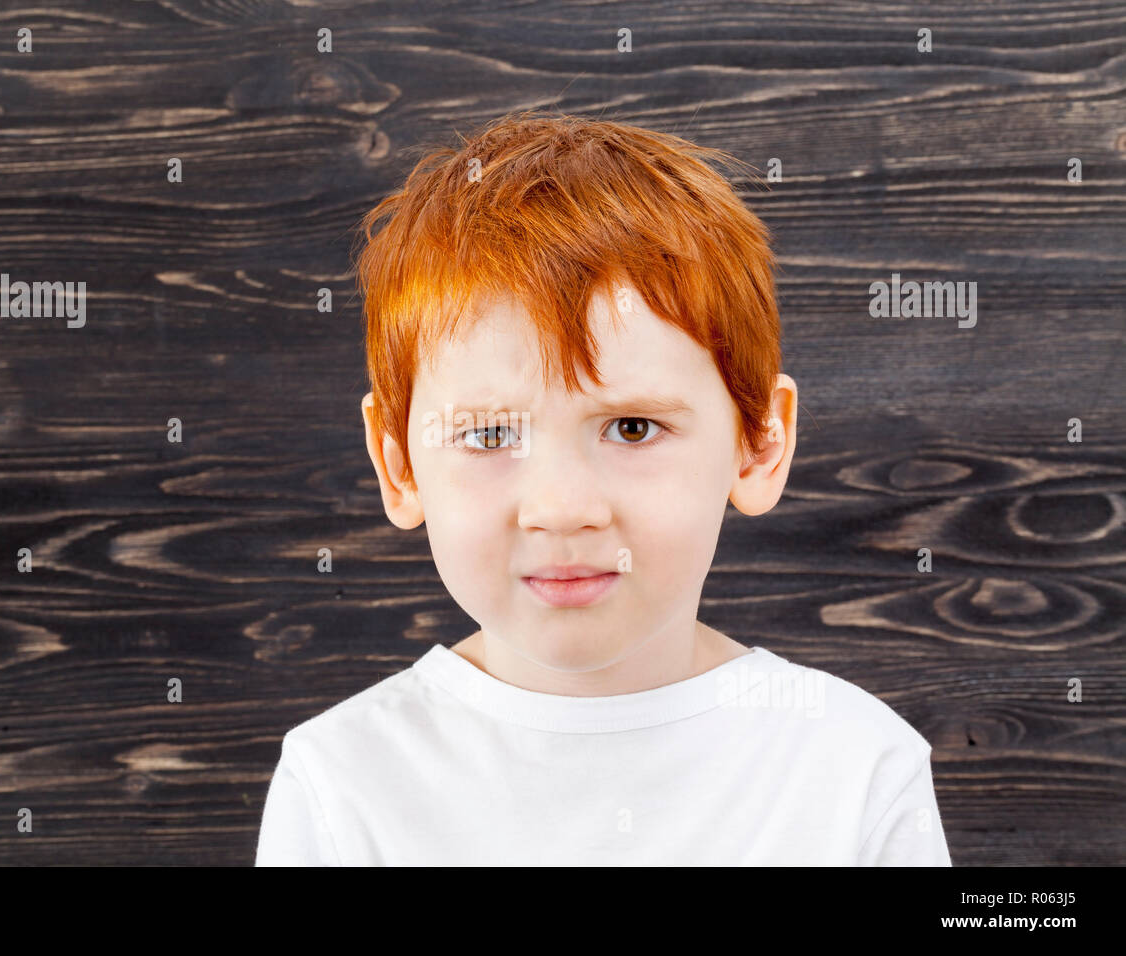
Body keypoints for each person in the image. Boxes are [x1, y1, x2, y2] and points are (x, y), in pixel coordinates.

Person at [255, 109, 950, 865]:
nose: (562, 510)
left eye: (631, 429)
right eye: (489, 435)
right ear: (399, 465)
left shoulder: (855, 771)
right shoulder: (341, 786)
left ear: (759, 444)